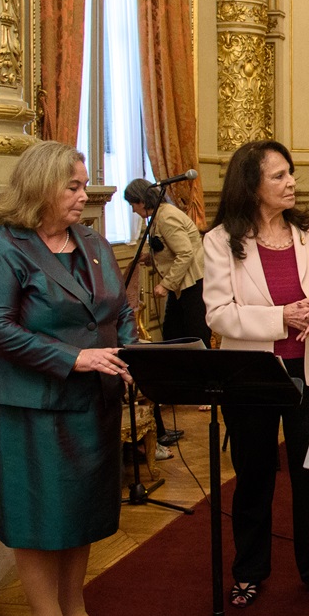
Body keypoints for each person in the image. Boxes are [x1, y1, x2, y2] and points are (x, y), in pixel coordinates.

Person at [0, 141, 136, 616]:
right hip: (31, 405)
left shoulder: (91, 242)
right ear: (40, 187)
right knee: (39, 515)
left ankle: (73, 606)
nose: (85, 196)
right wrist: (75, 358)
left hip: (93, 400)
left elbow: (118, 310)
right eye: (74, 187)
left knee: (81, 510)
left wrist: (131, 358)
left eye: (84, 185)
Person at [202, 140, 309, 608]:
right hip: (254, 374)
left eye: (291, 173)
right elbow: (219, 314)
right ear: (252, 185)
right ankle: (248, 570)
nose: (291, 183)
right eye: (279, 176)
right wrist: (282, 317)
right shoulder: (222, 240)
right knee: (254, 476)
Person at [123, 178, 209, 449]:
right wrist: (150, 259)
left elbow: (185, 253)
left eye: (133, 204)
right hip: (182, 285)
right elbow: (169, 251)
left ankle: (208, 391)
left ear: (141, 200)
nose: (133, 210)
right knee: (173, 334)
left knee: (197, 333)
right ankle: (178, 389)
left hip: (192, 284)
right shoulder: (158, 216)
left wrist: (165, 284)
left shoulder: (167, 217)